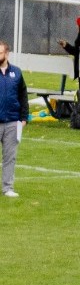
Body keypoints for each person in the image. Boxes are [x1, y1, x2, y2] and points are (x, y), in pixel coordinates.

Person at [0, 41, 26, 197]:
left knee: (10, 157)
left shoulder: (16, 72)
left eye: (0, 53)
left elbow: (23, 95)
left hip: (12, 121)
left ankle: (8, 188)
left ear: (7, 54)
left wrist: (23, 117)